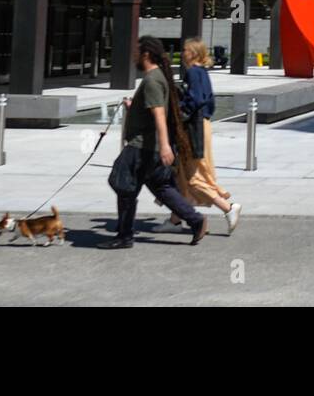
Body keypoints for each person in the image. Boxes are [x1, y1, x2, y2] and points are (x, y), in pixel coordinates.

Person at [101, 36, 207, 249]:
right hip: (152, 146)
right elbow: (154, 111)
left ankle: (124, 235)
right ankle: (195, 220)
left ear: (146, 54)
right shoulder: (158, 77)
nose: (133, 57)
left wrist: (165, 145)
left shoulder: (152, 80)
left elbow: (159, 113)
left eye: (136, 53)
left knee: (123, 183)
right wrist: (135, 108)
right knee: (162, 187)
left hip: (143, 146)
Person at [153, 37, 241, 235]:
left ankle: (228, 208)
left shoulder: (193, 72)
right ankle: (175, 220)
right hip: (202, 124)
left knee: (194, 177)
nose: (182, 53)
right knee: (183, 177)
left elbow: (196, 99)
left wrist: (179, 113)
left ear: (192, 52)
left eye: (185, 50)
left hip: (194, 127)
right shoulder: (201, 71)